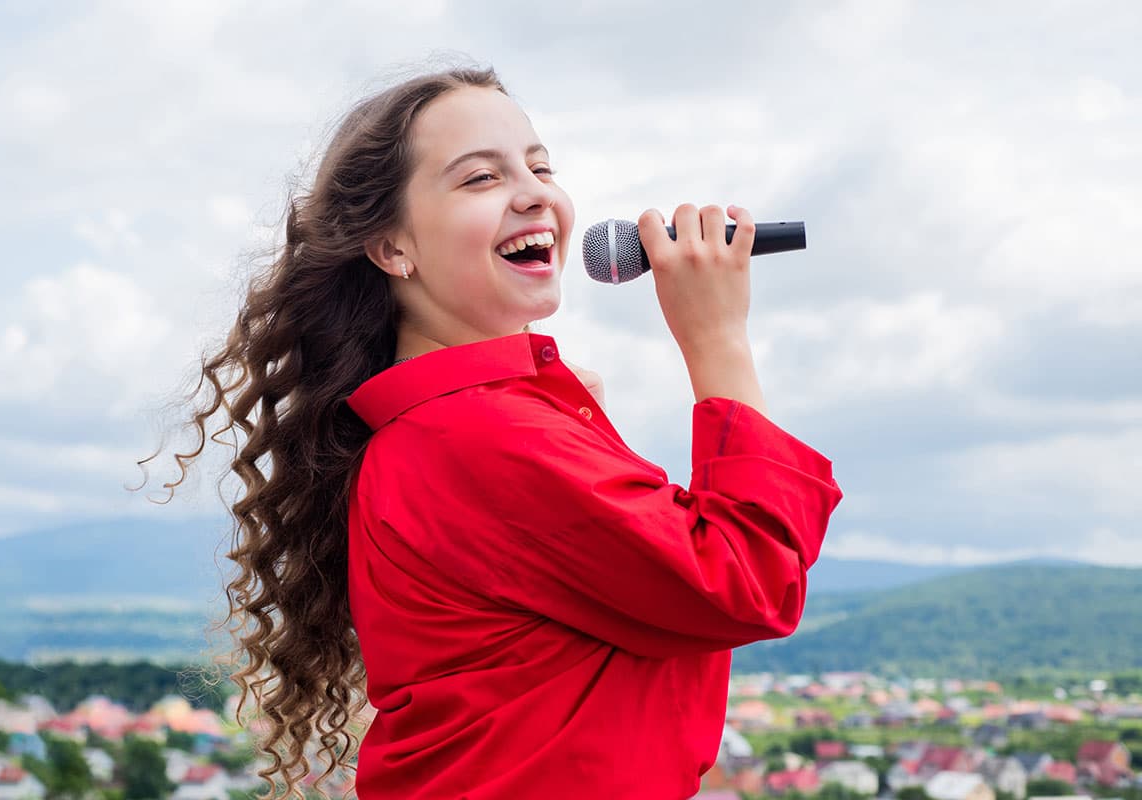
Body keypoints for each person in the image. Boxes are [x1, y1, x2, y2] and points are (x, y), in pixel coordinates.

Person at [137, 62, 842, 800]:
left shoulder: (448, 429)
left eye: (541, 167)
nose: (535, 192)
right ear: (391, 247)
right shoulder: (476, 435)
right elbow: (748, 579)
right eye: (481, 179)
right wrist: (718, 338)